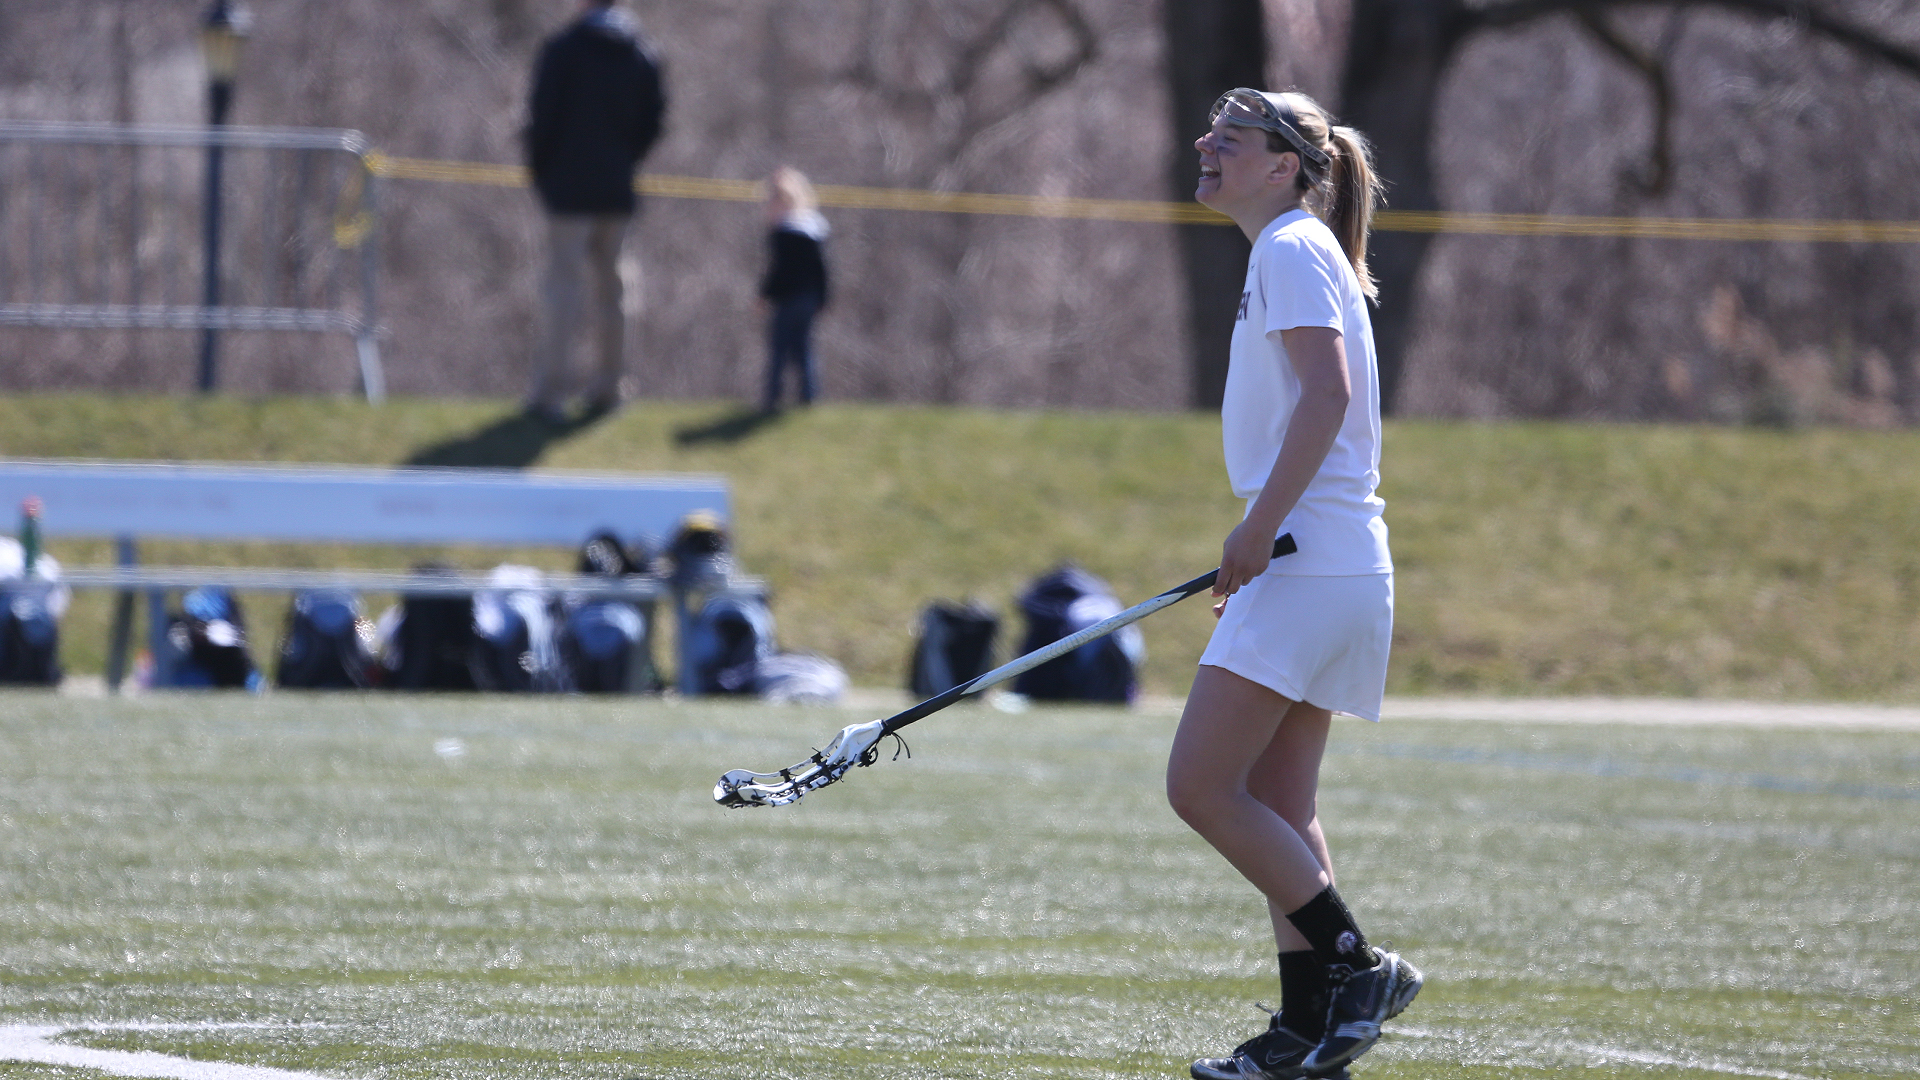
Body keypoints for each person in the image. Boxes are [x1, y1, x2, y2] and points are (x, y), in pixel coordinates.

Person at [1165, 88, 1421, 1080]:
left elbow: (1327, 395)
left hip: (1307, 558)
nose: (1205, 144)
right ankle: (1310, 1028)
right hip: (1328, 563)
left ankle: (1357, 968)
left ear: (1281, 167)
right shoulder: (1290, 248)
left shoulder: (1289, 246)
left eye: (1228, 139)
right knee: (1278, 798)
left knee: (1200, 786)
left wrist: (1257, 527)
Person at [523, 0, 666, 423]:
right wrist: (624, 160)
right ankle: (610, 386)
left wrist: (543, 171)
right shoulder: (640, 52)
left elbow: (542, 116)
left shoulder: (564, 50)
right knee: (615, 292)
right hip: (616, 187)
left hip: (569, 189)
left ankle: (551, 394)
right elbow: (653, 121)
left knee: (563, 291)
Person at [758, 166, 830, 411]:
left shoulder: (785, 231)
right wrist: (822, 297)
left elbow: (780, 270)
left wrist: (765, 295)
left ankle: (772, 398)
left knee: (780, 347)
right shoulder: (814, 227)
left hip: (789, 298)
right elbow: (822, 269)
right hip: (809, 298)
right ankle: (808, 396)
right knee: (803, 347)